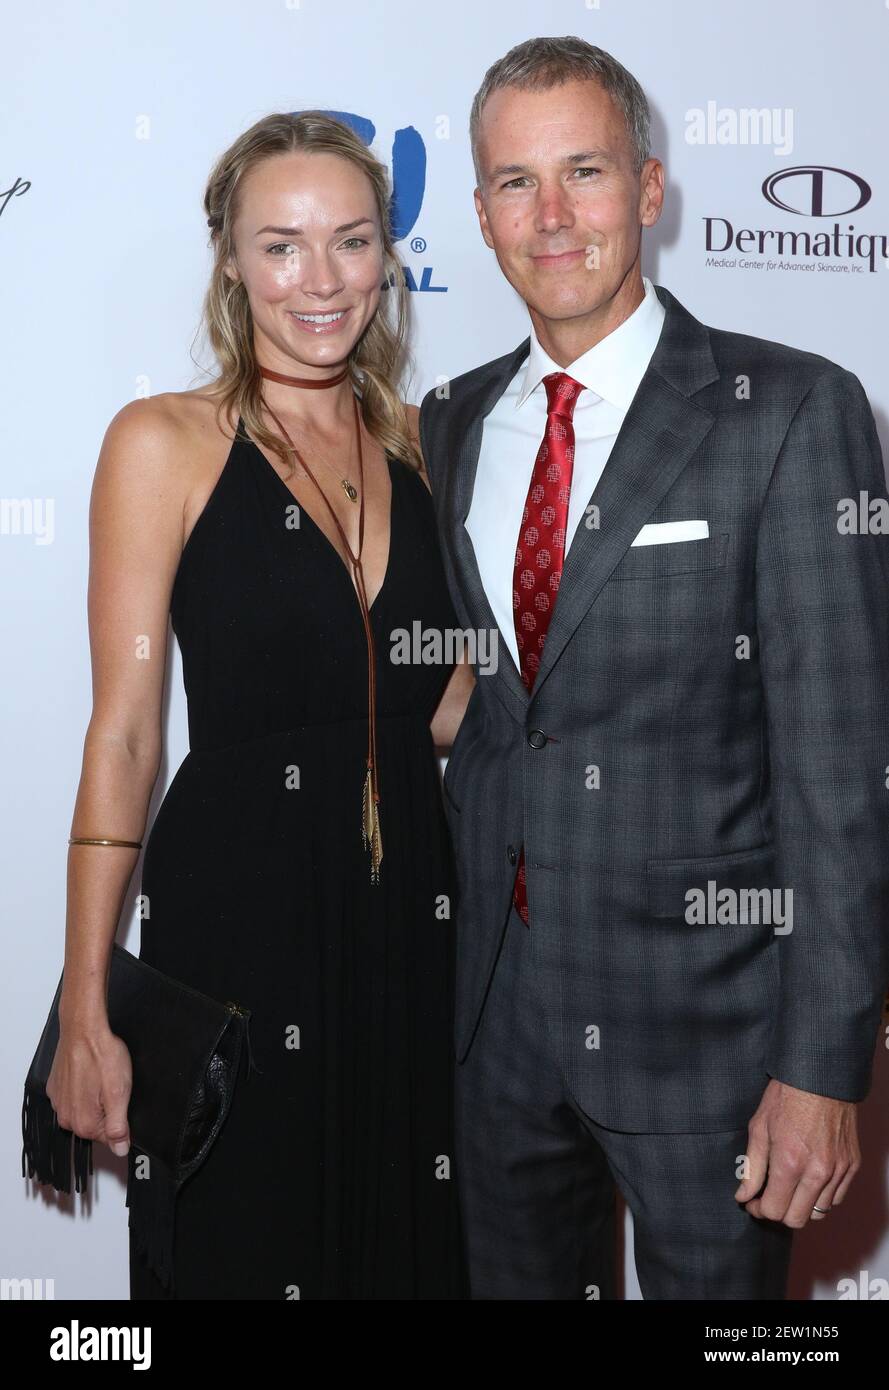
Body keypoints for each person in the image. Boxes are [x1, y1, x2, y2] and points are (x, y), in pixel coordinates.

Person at [419, 35, 889, 1299]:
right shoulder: (452, 420)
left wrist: (825, 1065)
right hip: (497, 1033)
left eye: (584, 170)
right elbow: (499, 696)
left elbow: (840, 773)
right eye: (516, 183)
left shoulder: (790, 410)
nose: (552, 215)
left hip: (715, 1042)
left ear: (650, 186)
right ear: (478, 213)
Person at [46, 110, 473, 1299]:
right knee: (245, 1241)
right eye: (279, 245)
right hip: (238, 924)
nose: (320, 281)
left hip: (415, 924)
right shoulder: (164, 442)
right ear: (230, 260)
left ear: (389, 255)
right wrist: (88, 1000)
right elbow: (125, 730)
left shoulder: (430, 452)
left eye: (350, 241)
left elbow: (450, 708)